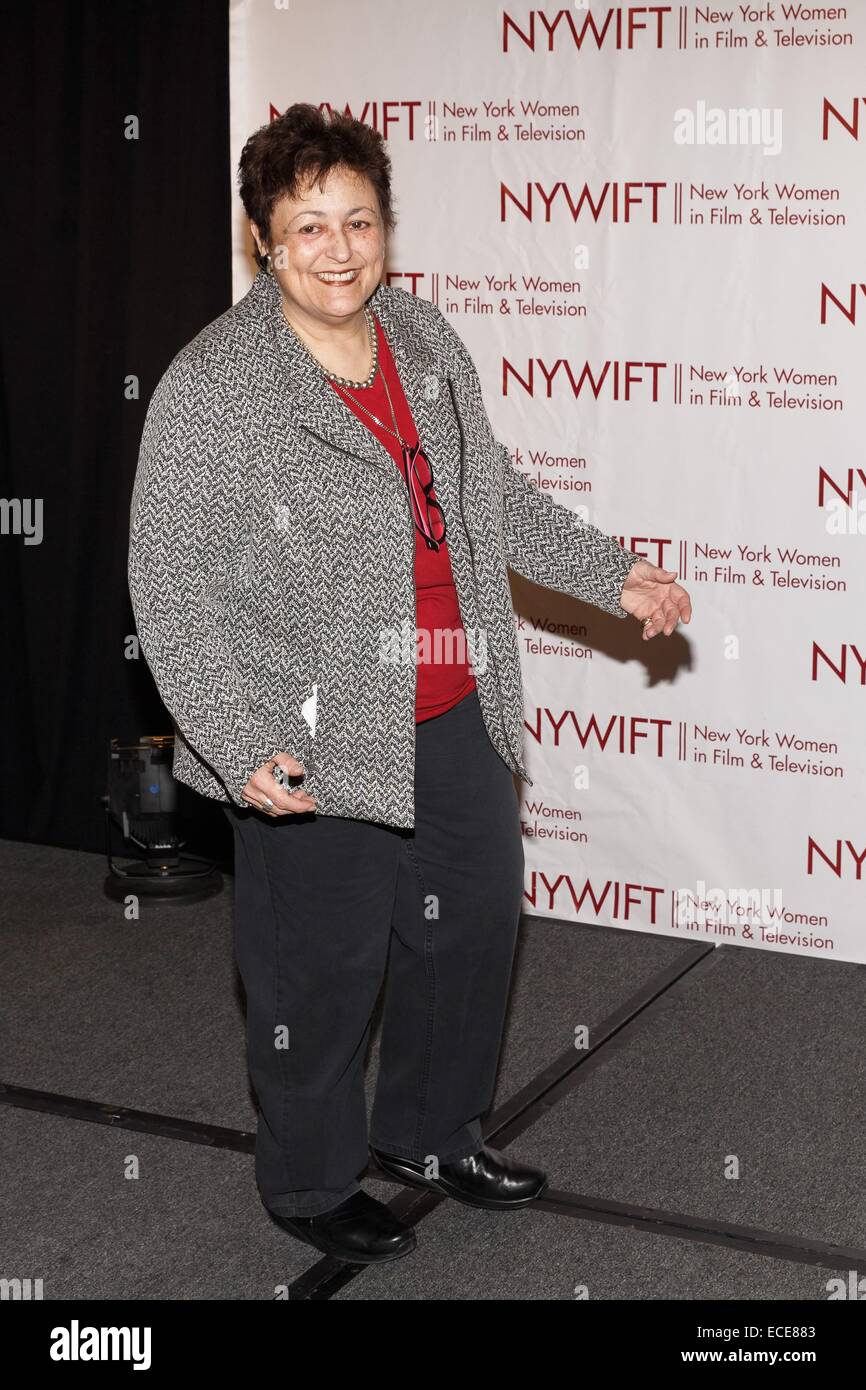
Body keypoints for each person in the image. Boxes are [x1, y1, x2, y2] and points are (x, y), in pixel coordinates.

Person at [127, 103, 692, 1266]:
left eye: (358, 221)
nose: (338, 249)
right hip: (310, 729)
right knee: (318, 968)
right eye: (306, 226)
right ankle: (306, 1176)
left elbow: (497, 502)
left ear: (386, 226)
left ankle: (432, 1131)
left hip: (455, 703)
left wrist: (614, 571)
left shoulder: (424, 341)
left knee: (469, 933)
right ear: (261, 239)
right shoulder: (215, 387)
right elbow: (170, 586)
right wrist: (238, 743)